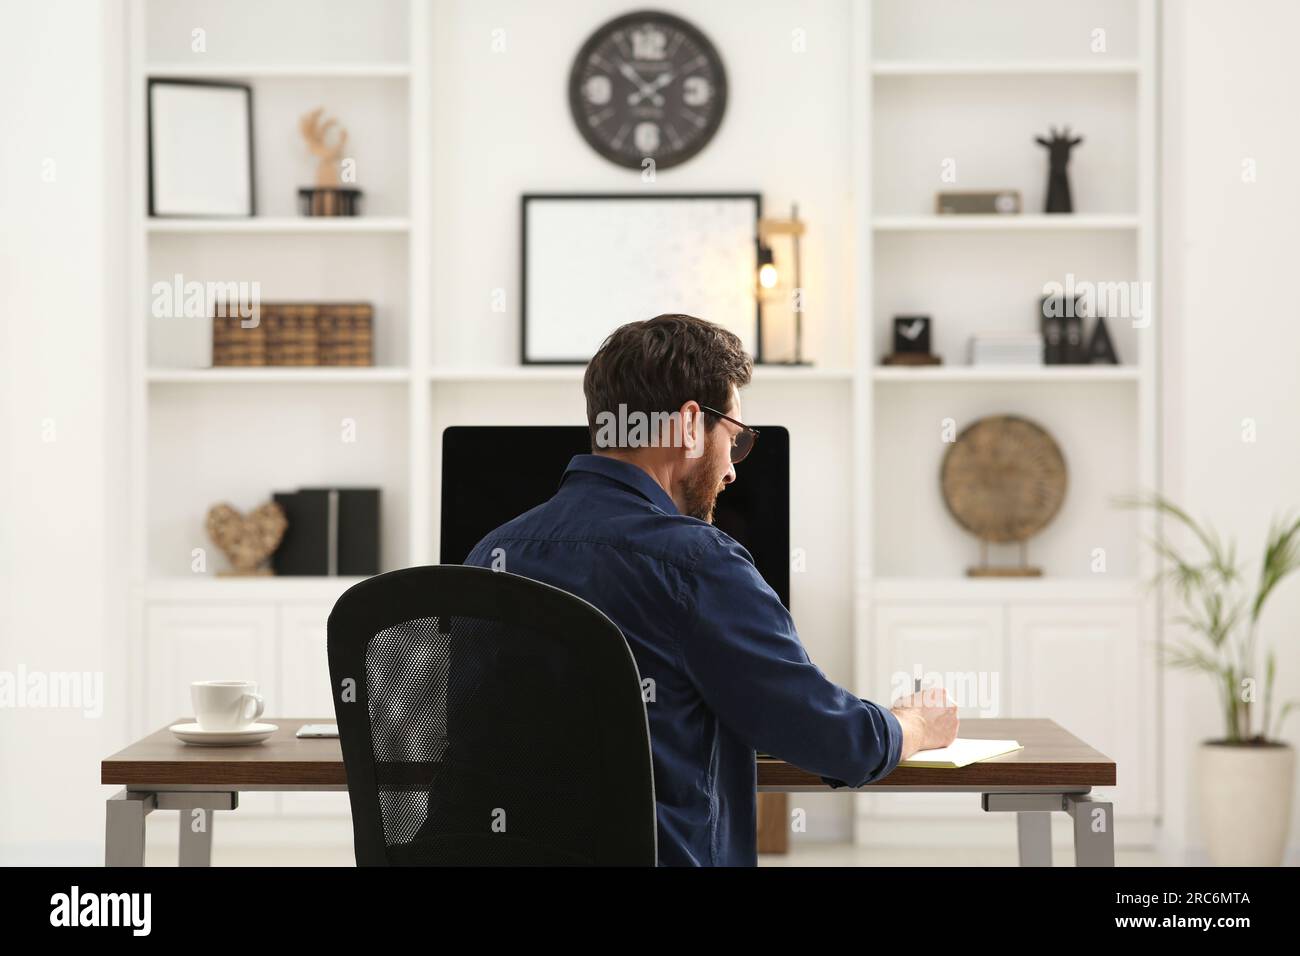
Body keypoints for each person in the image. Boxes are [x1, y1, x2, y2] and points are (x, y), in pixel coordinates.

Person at [466, 313, 958, 865]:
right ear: (689, 424)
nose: (731, 470)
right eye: (735, 439)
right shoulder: (698, 562)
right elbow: (837, 742)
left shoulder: (490, 554)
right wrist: (914, 725)